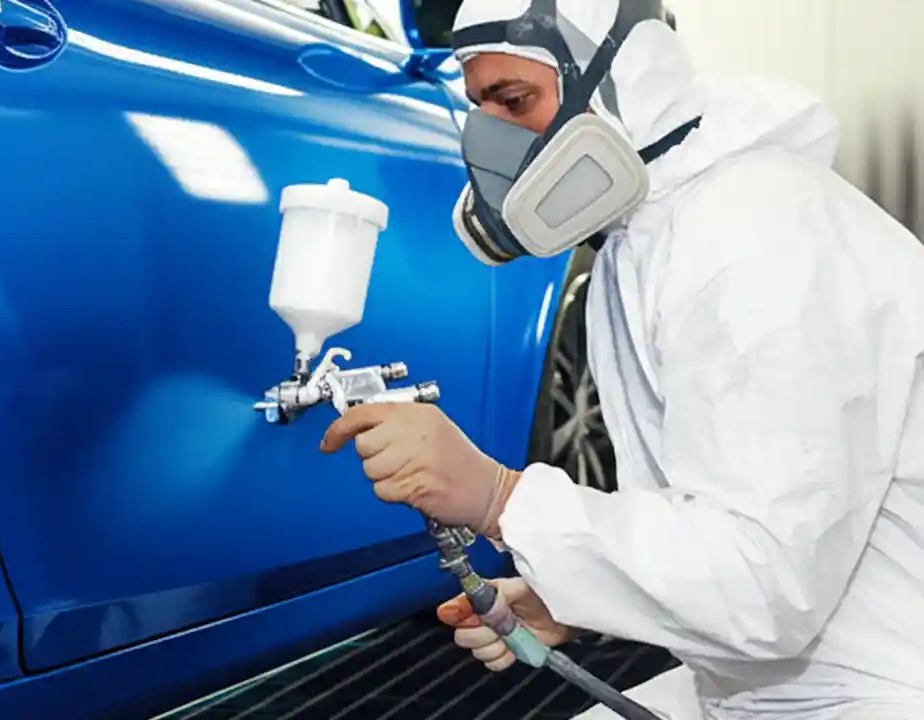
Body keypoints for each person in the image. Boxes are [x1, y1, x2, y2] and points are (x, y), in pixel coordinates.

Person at [318, 0, 924, 717]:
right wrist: (577, 599)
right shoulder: (649, 237)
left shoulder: (761, 239)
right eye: (479, 108)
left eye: (515, 101)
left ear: (621, 82)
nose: (489, 142)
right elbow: (714, 516)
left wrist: (501, 499)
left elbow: (766, 585)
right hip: (770, 678)